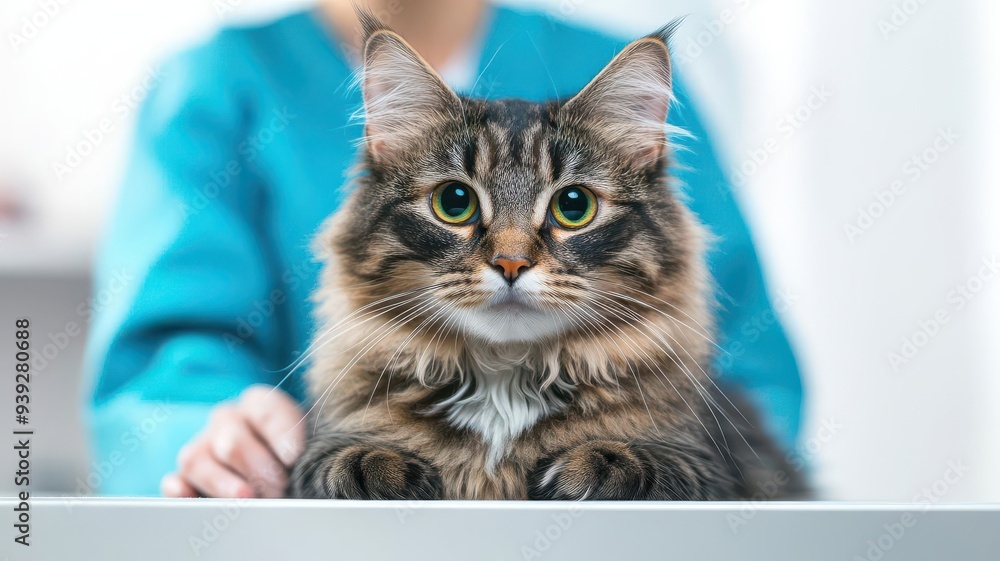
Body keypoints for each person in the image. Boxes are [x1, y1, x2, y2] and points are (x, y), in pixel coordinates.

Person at [85, 0, 803, 498]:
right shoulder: (215, 84)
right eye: (456, 203)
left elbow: (750, 376)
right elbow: (157, 368)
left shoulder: (611, 66)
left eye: (572, 206)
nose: (513, 258)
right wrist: (216, 436)